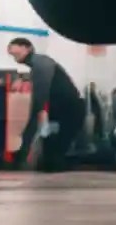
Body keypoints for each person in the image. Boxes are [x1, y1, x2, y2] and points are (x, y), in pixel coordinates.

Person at [7, 37, 84, 172]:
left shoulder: (40, 64)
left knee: (55, 153)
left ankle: (23, 159)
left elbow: (38, 100)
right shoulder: (39, 63)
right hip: (64, 109)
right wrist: (23, 78)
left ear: (27, 48)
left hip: (69, 110)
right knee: (52, 151)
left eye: (15, 52)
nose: (14, 56)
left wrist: (24, 144)